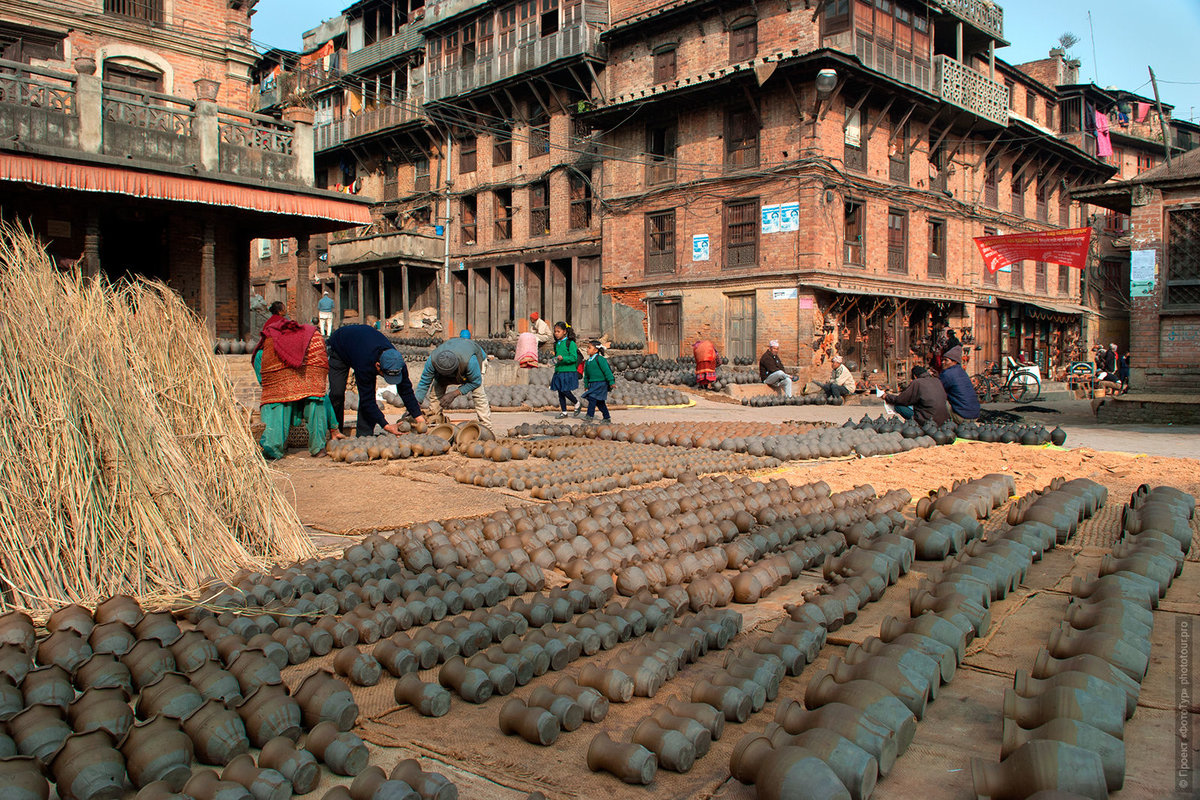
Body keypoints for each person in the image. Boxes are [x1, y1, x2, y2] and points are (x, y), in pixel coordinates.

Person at [327, 324, 425, 437]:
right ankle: (335, 431)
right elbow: (367, 400)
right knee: (337, 394)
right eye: (386, 375)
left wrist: (419, 418)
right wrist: (387, 426)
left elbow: (406, 390)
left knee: (367, 405)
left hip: (363, 342)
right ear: (378, 366)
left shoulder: (397, 361)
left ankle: (364, 436)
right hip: (340, 346)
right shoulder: (365, 363)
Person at [415, 332, 494, 433]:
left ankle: (487, 428)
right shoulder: (432, 360)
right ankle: (435, 421)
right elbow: (424, 381)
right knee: (437, 389)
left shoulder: (470, 362)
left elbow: (475, 382)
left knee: (478, 394)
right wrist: (415, 404)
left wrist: (454, 393)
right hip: (452, 354)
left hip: (476, 357)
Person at [885, 366, 950, 424]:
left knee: (898, 406)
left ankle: (916, 424)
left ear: (915, 376)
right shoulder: (937, 380)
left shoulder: (917, 382)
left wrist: (886, 397)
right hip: (943, 419)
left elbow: (901, 399)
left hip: (926, 420)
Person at [938, 345, 980, 423]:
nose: (943, 362)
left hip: (962, 417)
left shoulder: (948, 373)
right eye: (942, 360)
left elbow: (937, 389)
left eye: (946, 360)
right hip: (975, 416)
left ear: (954, 362)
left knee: (936, 398)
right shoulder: (961, 372)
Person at [549, 321, 581, 417]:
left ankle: (577, 402)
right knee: (560, 392)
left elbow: (574, 357)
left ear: (564, 332)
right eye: (555, 331)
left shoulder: (570, 343)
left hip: (568, 371)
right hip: (559, 371)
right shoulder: (556, 344)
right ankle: (564, 412)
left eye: (558, 331)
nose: (556, 333)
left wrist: (564, 358)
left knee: (565, 390)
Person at [581, 339, 615, 423]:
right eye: (587, 347)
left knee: (592, 398)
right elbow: (586, 375)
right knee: (600, 402)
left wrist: (611, 382)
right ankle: (607, 417)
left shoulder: (600, 359)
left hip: (601, 383)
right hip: (592, 384)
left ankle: (589, 416)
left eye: (589, 348)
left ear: (596, 350)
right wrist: (586, 385)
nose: (587, 349)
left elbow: (607, 371)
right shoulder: (588, 362)